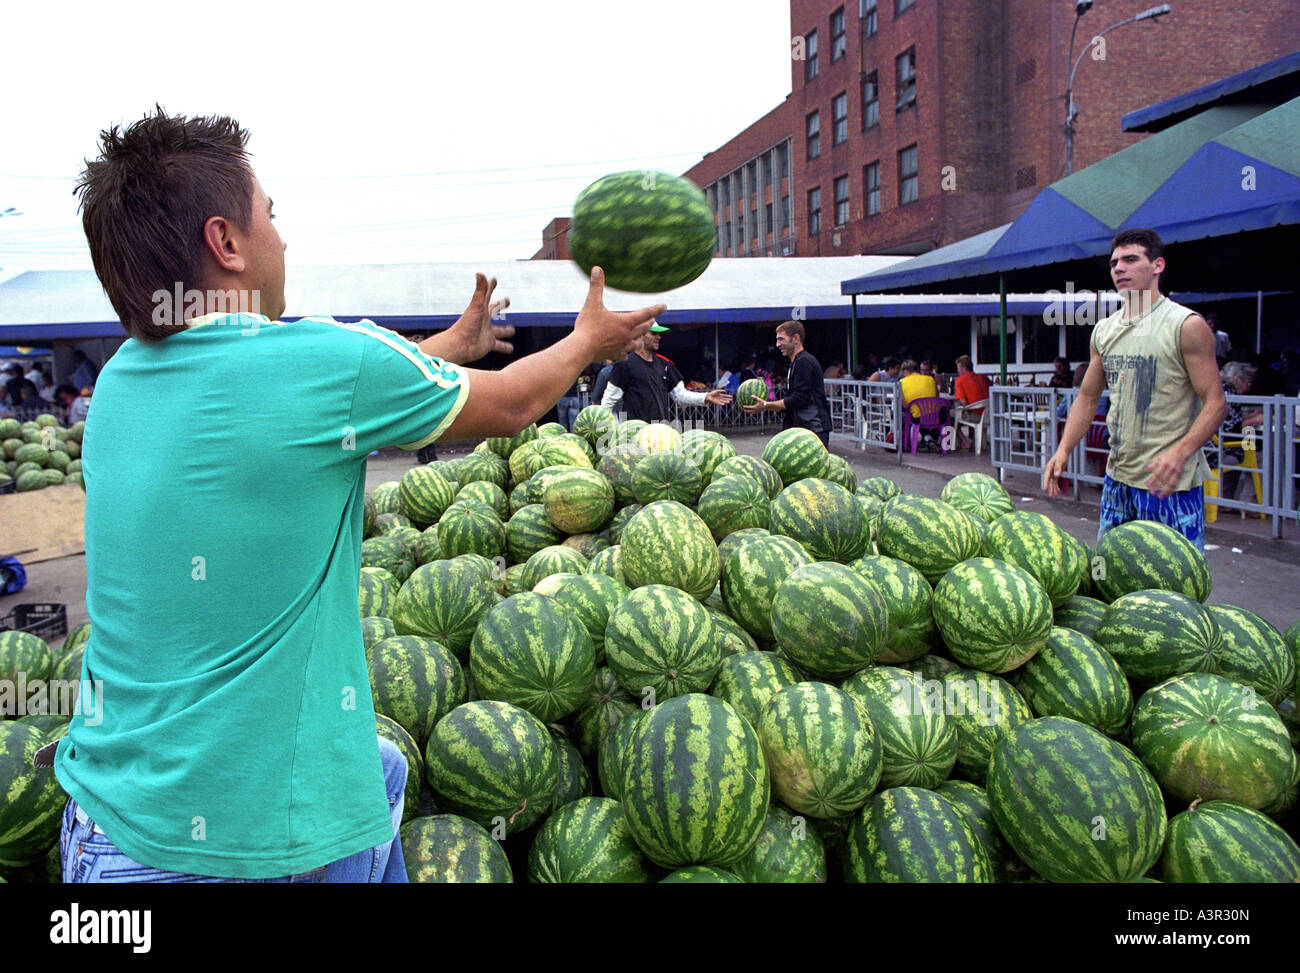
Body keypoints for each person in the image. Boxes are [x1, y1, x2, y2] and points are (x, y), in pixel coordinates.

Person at [53, 108, 660, 884]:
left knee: (375, 769)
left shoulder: (117, 388)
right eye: (271, 215)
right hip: (240, 847)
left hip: (110, 829)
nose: (283, 236)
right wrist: (589, 341)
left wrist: (447, 348)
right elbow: (508, 403)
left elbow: (320, 396)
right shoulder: (315, 366)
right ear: (226, 242)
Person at [1042, 228, 1227, 553]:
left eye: (1130, 260)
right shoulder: (1105, 329)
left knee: (1173, 587)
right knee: (1112, 577)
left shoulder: (1185, 325)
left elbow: (1215, 403)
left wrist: (1180, 453)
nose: (1119, 269)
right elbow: (1087, 397)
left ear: (1157, 265)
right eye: (1114, 263)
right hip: (1119, 478)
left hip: (1170, 484)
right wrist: (1064, 449)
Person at [599, 322, 731, 421]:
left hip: (661, 434)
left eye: (659, 333)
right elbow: (608, 402)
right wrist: (612, 432)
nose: (659, 337)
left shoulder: (664, 364)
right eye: (654, 333)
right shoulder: (624, 365)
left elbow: (680, 396)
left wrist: (705, 397)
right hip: (635, 436)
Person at [740, 320, 832, 446]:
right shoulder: (795, 363)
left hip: (813, 429)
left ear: (796, 338)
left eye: (781, 339)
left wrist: (766, 405)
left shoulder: (804, 362)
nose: (777, 344)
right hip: (802, 428)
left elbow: (799, 398)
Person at [1216, 361, 1263, 503]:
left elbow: (1230, 420)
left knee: (1246, 448)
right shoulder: (1229, 395)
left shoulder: (1220, 390)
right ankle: (1248, 502)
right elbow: (1231, 430)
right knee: (1259, 455)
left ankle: (1226, 499)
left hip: (1212, 448)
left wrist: (1251, 416)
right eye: (1248, 383)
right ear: (1239, 380)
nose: (1249, 388)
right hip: (1220, 451)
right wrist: (1255, 420)